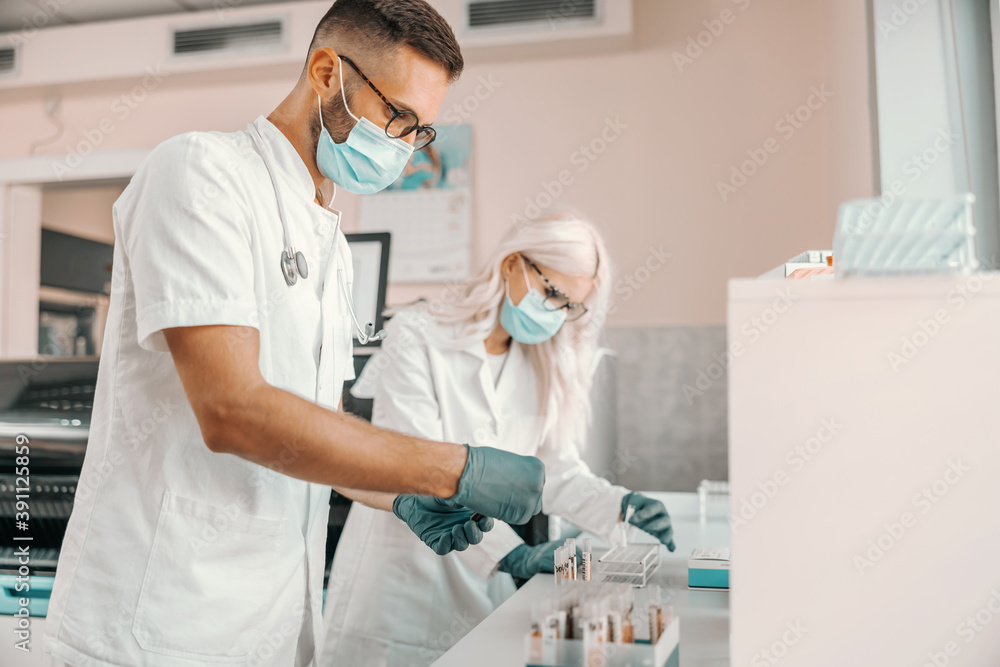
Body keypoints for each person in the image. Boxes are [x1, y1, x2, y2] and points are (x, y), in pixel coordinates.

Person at [43, 2, 546, 666]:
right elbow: (233, 410)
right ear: (325, 71)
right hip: (160, 624)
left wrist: (404, 495)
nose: (402, 145)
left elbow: (319, 423)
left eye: (419, 131)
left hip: (272, 624)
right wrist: (456, 468)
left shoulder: (329, 238)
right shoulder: (201, 173)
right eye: (396, 116)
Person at [320, 213, 678, 667]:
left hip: (480, 592)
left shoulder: (542, 363)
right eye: (551, 293)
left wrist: (620, 506)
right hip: (396, 593)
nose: (556, 313)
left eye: (570, 306)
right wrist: (513, 554)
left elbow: (554, 473)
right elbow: (416, 467)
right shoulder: (418, 334)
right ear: (512, 265)